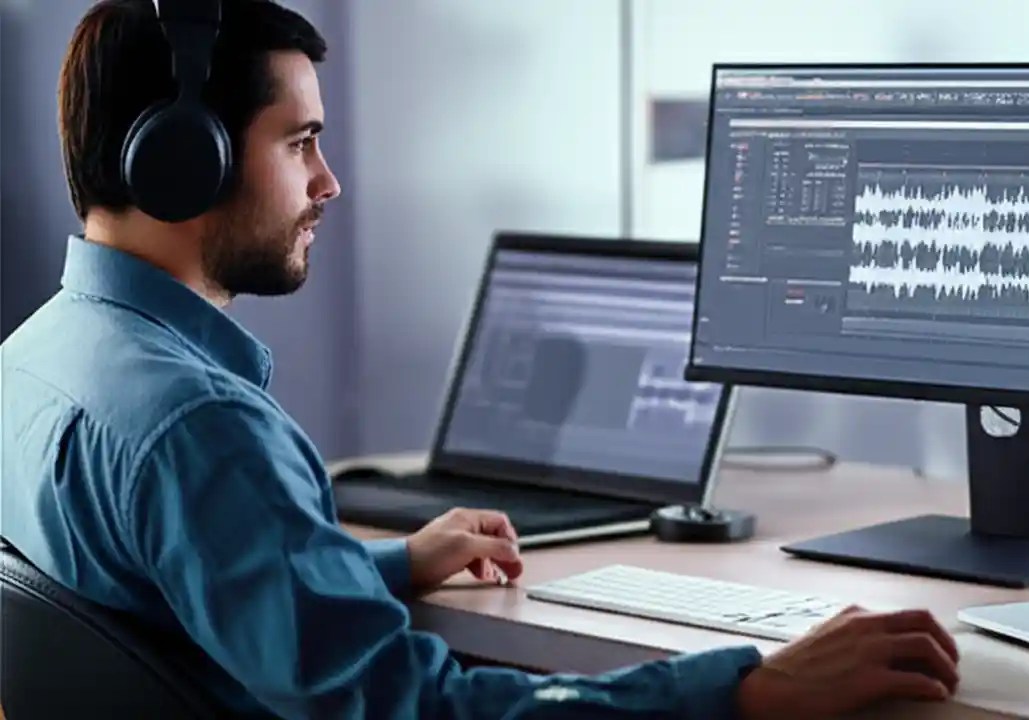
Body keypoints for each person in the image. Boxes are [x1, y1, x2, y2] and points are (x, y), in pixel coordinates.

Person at [0, 1, 962, 718]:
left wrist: (380, 566)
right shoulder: (201, 429)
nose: (328, 182)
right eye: (300, 143)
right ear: (186, 160)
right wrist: (748, 688)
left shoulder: (34, 359)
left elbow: (181, 584)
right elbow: (427, 713)